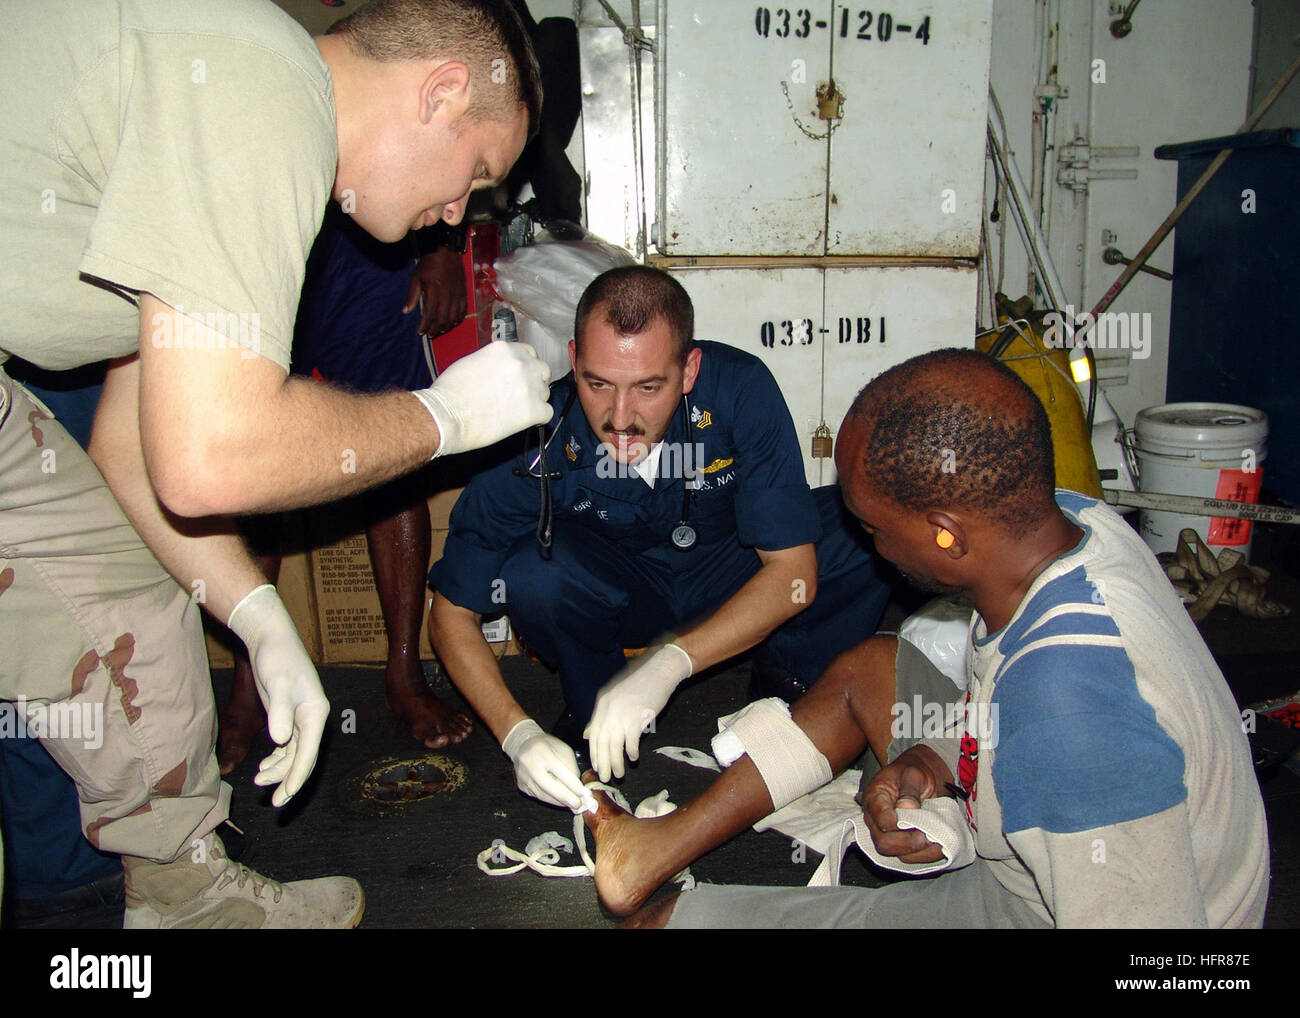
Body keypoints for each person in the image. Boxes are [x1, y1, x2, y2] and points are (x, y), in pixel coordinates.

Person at [0, 0, 551, 928]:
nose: (457, 212)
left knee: (130, 590)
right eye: (478, 174)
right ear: (442, 92)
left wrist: (258, 619)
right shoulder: (263, 86)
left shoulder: (243, 113)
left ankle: (179, 894)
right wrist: (445, 417)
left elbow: (134, 452)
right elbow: (210, 459)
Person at [575, 348, 1270, 929]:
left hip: (1049, 908)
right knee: (868, 672)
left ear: (947, 533)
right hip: (1054, 843)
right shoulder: (1070, 525)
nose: (866, 544)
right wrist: (937, 762)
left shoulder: (1071, 717)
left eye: (874, 528)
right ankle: (653, 846)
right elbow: (1006, 711)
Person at [428, 266, 892, 814]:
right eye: (598, 383)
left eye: (648, 387)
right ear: (573, 360)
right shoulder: (537, 437)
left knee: (859, 526)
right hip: (626, 594)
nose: (620, 418)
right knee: (533, 572)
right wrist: (517, 735)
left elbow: (791, 573)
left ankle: (789, 683)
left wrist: (670, 664)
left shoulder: (740, 389)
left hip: (730, 571)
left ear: (689, 369)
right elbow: (450, 612)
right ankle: (594, 704)